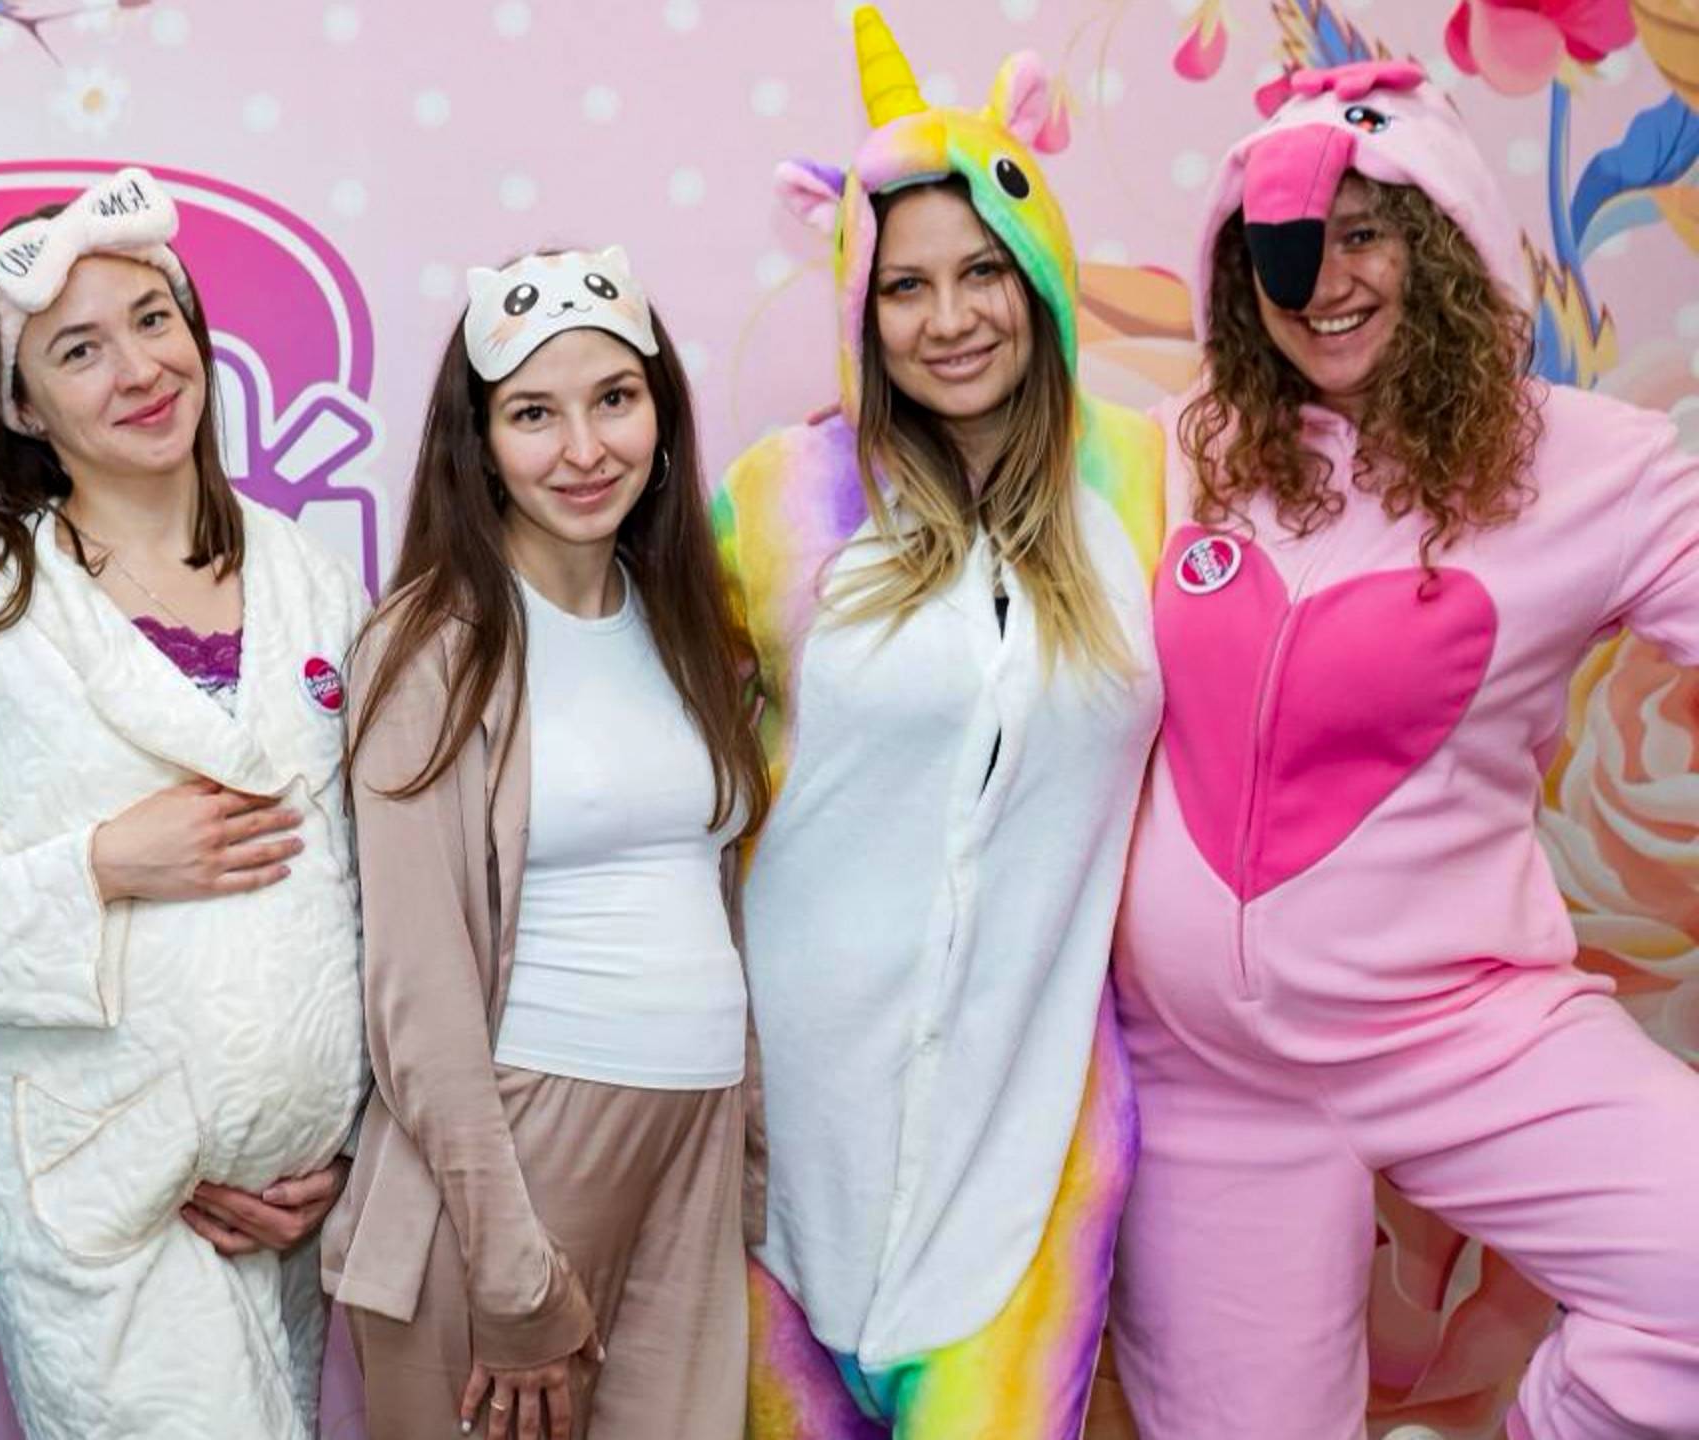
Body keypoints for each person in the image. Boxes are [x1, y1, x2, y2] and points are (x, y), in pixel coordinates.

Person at [1109, 57, 1699, 1440]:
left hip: (1458, 1034)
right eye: (1284, 250)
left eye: (1364, 233)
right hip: (1209, 1082)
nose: (1323, 284)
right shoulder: (1177, 455)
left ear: (1442, 239)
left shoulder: (1595, 467)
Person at [0, 168, 368, 1440]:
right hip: (98, 1196)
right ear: (19, 402)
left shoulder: (307, 573)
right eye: (78, 349)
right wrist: (103, 864)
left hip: (294, 1201)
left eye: (153, 319)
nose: (139, 369)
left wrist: (354, 1159)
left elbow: (373, 888)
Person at [714, 10, 1163, 1438]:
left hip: (1026, 1159)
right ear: (859, 301)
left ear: (1040, 274)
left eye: (983, 272)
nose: (950, 318)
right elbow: (657, 760)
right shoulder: (780, 500)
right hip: (784, 1159)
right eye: (905, 285)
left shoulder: (1148, 489)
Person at [323, 245, 766, 1440]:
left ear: (661, 414)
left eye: (614, 400)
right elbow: (417, 989)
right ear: (477, 444)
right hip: (515, 1160)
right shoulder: (431, 648)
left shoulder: (686, 625)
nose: (583, 450)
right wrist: (508, 1265)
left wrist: (750, 1161)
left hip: (691, 1144)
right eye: (533, 414)